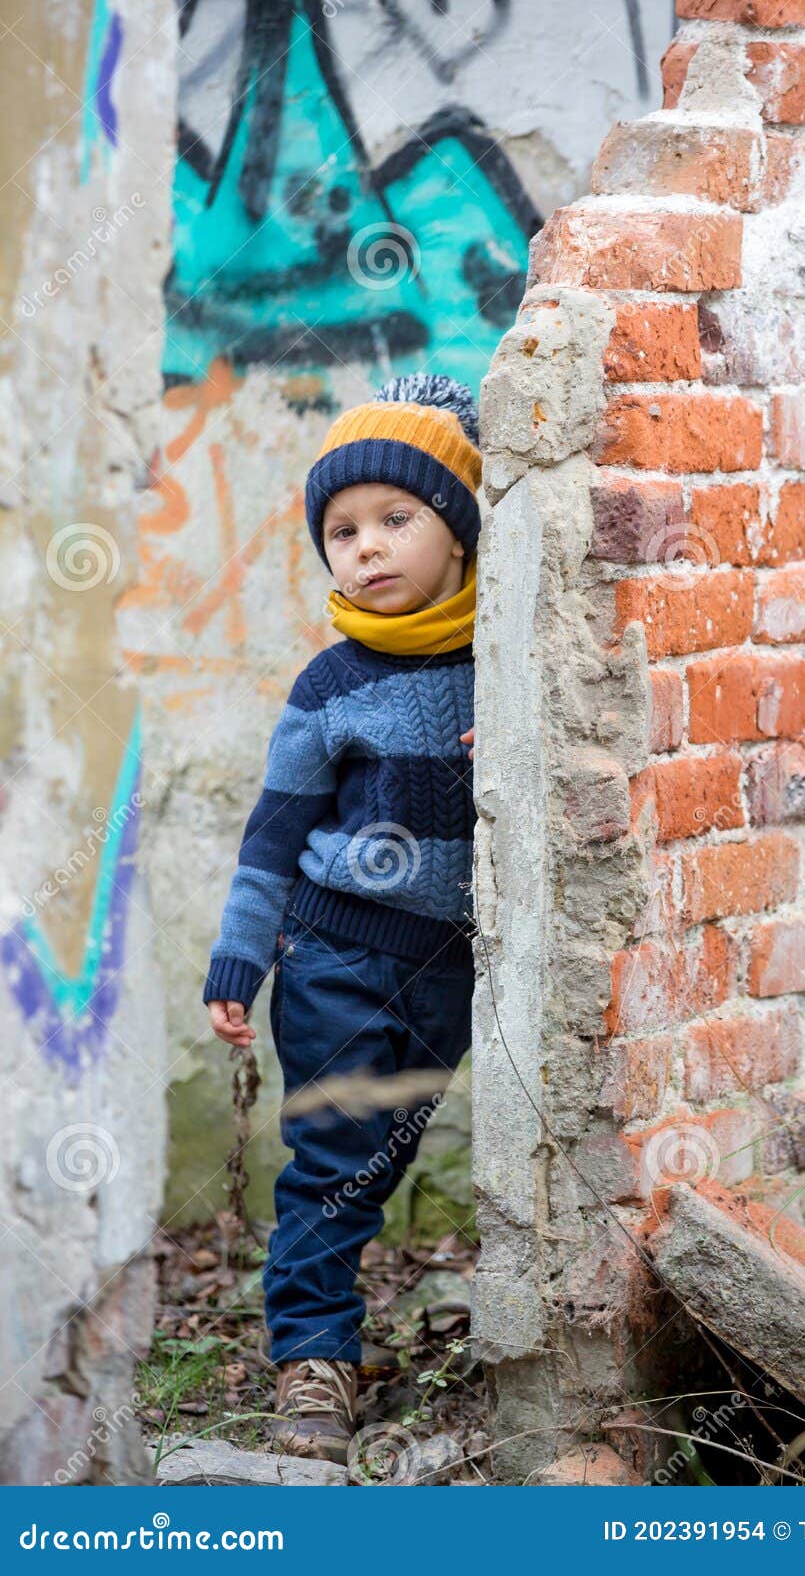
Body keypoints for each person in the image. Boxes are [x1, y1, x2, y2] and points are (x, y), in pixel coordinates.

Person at [203, 371, 480, 1462]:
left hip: (447, 973)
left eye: (394, 519)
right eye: (341, 529)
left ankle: (335, 1325)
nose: (365, 547)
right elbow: (273, 836)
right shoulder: (329, 686)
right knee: (330, 1161)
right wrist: (240, 956)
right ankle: (310, 1366)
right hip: (332, 958)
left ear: (457, 531)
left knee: (378, 1161)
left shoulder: (511, 663)